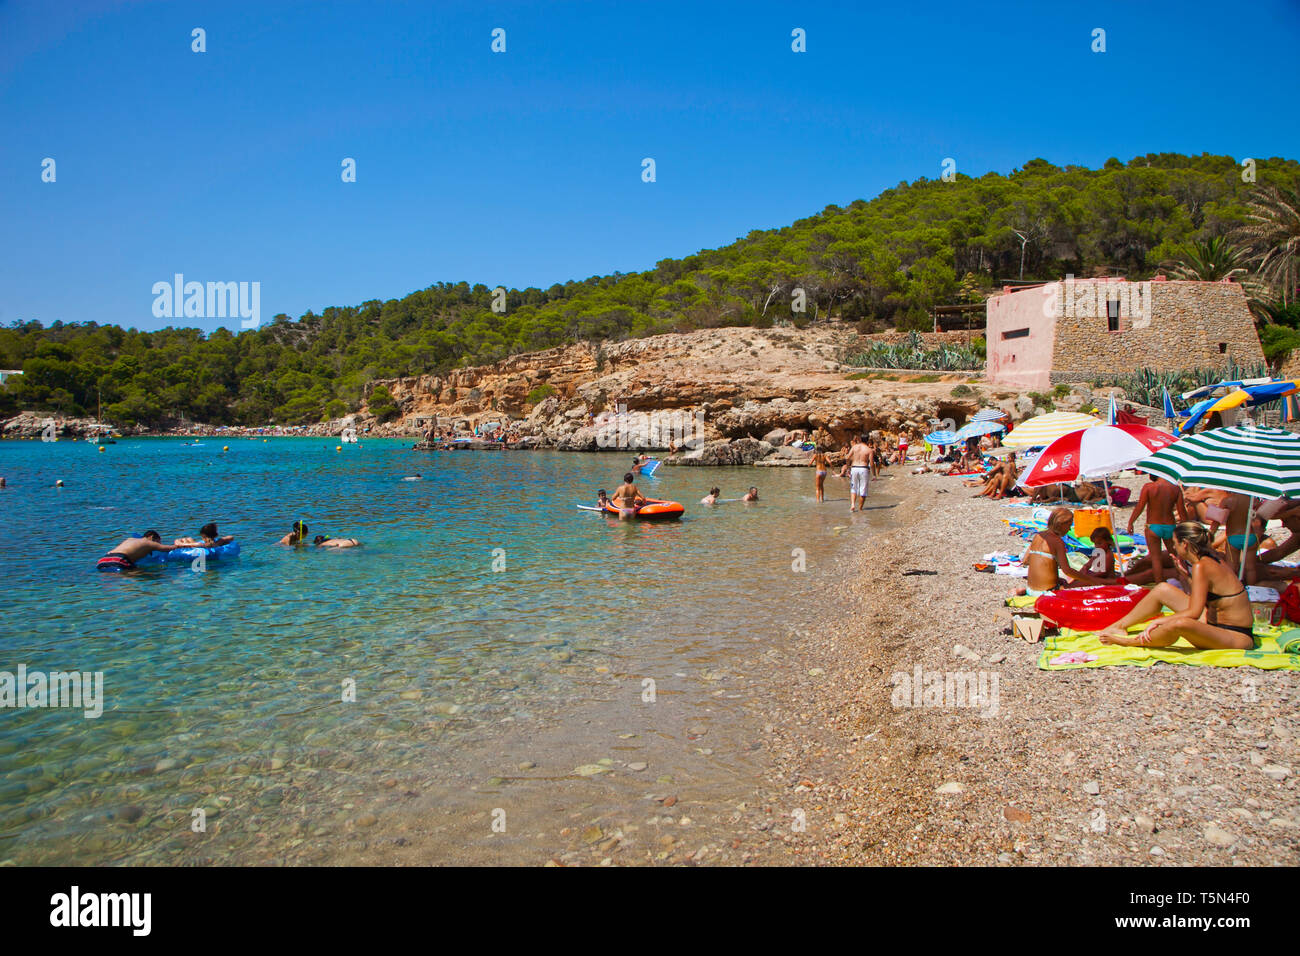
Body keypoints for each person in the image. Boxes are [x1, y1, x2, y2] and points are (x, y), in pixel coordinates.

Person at [1098, 522, 1255, 650]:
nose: (1174, 548)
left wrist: (1161, 622)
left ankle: (1132, 642)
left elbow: (1194, 612)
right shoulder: (1211, 558)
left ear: (1185, 544)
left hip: (1235, 635)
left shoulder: (1202, 566)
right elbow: (1203, 597)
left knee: (1180, 623)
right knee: (1162, 589)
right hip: (1215, 623)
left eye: (1175, 543)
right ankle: (1118, 626)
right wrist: (1185, 575)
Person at [1018, 507, 1110, 596]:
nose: (1069, 529)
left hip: (1031, 589)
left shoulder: (1038, 536)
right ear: (1062, 524)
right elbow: (1067, 571)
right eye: (1069, 525)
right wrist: (1090, 580)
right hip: (1048, 593)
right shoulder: (1057, 541)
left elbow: (1026, 560)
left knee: (1069, 579)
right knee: (1087, 582)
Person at [1126, 475, 1186, 585]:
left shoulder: (1149, 487)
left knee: (1156, 559)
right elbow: (1182, 512)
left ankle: (1160, 585)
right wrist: (1187, 528)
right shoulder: (1175, 488)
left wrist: (1131, 522)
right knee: (1176, 557)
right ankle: (1183, 581)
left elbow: (1140, 506)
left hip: (1153, 526)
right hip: (1170, 526)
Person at [97, 531, 182, 571]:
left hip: (103, 559)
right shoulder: (148, 543)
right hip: (119, 560)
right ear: (152, 537)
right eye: (158, 541)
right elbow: (167, 548)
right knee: (140, 573)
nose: (159, 544)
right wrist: (179, 545)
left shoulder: (130, 539)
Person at [846, 433, 872, 512]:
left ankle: (853, 505)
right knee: (863, 489)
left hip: (854, 468)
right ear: (868, 440)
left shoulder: (854, 447)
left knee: (854, 488)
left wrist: (848, 468)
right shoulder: (869, 449)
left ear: (860, 439)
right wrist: (874, 475)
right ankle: (860, 509)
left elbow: (847, 457)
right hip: (864, 468)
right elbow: (871, 463)